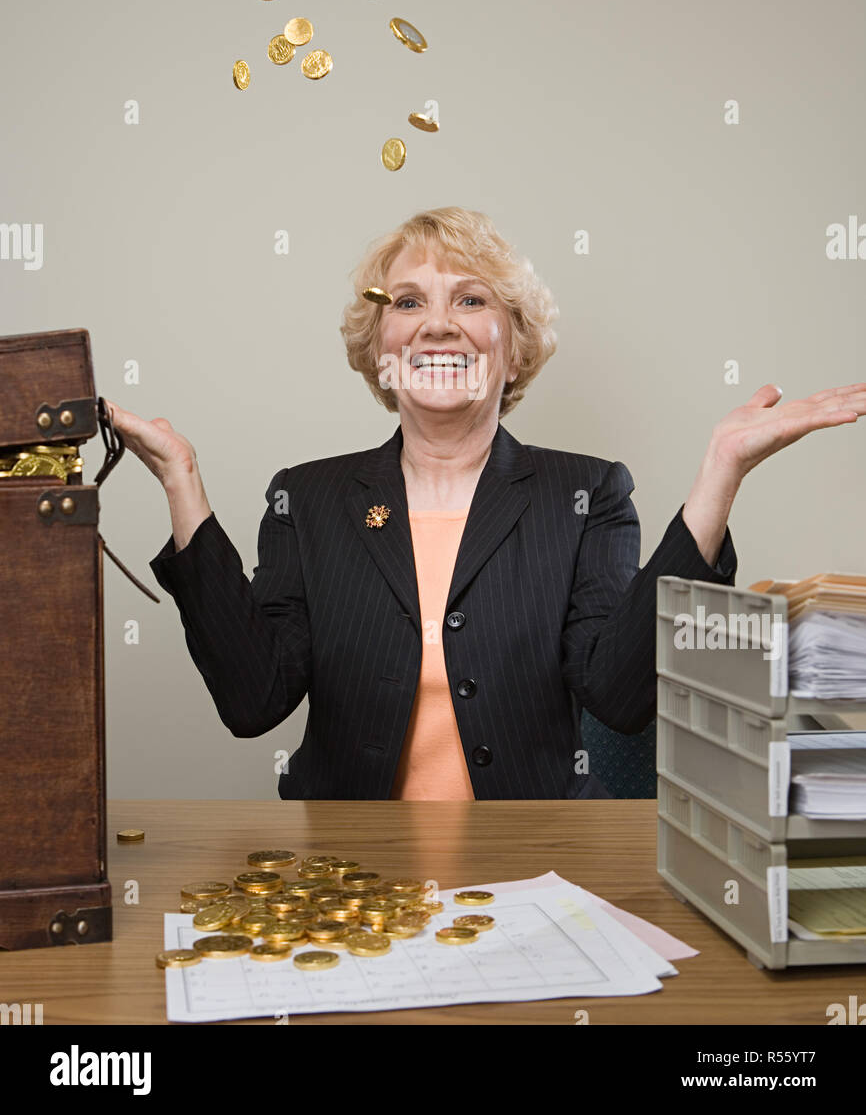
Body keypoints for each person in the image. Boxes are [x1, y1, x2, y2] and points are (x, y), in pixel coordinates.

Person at [107, 206, 865, 800]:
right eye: (408, 302)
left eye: (470, 299)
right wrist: (183, 482)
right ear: (382, 348)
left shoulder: (589, 493)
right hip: (353, 868)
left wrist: (720, 474)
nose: (438, 323)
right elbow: (252, 700)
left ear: (513, 345)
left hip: (539, 861)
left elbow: (619, 694)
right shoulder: (307, 497)